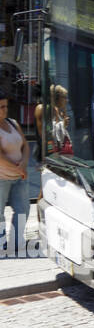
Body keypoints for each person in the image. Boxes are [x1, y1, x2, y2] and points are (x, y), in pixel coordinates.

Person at [0, 95, 30, 255]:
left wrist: (24, 164)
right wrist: (19, 168)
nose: (4, 110)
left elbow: (25, 145)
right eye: (1, 107)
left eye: (5, 106)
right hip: (2, 177)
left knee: (23, 209)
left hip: (19, 177)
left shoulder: (12, 123)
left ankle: (18, 242)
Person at [34, 84, 70, 158]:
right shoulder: (41, 109)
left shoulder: (59, 111)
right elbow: (44, 135)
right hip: (45, 154)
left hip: (59, 153)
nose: (67, 100)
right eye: (64, 97)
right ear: (57, 98)